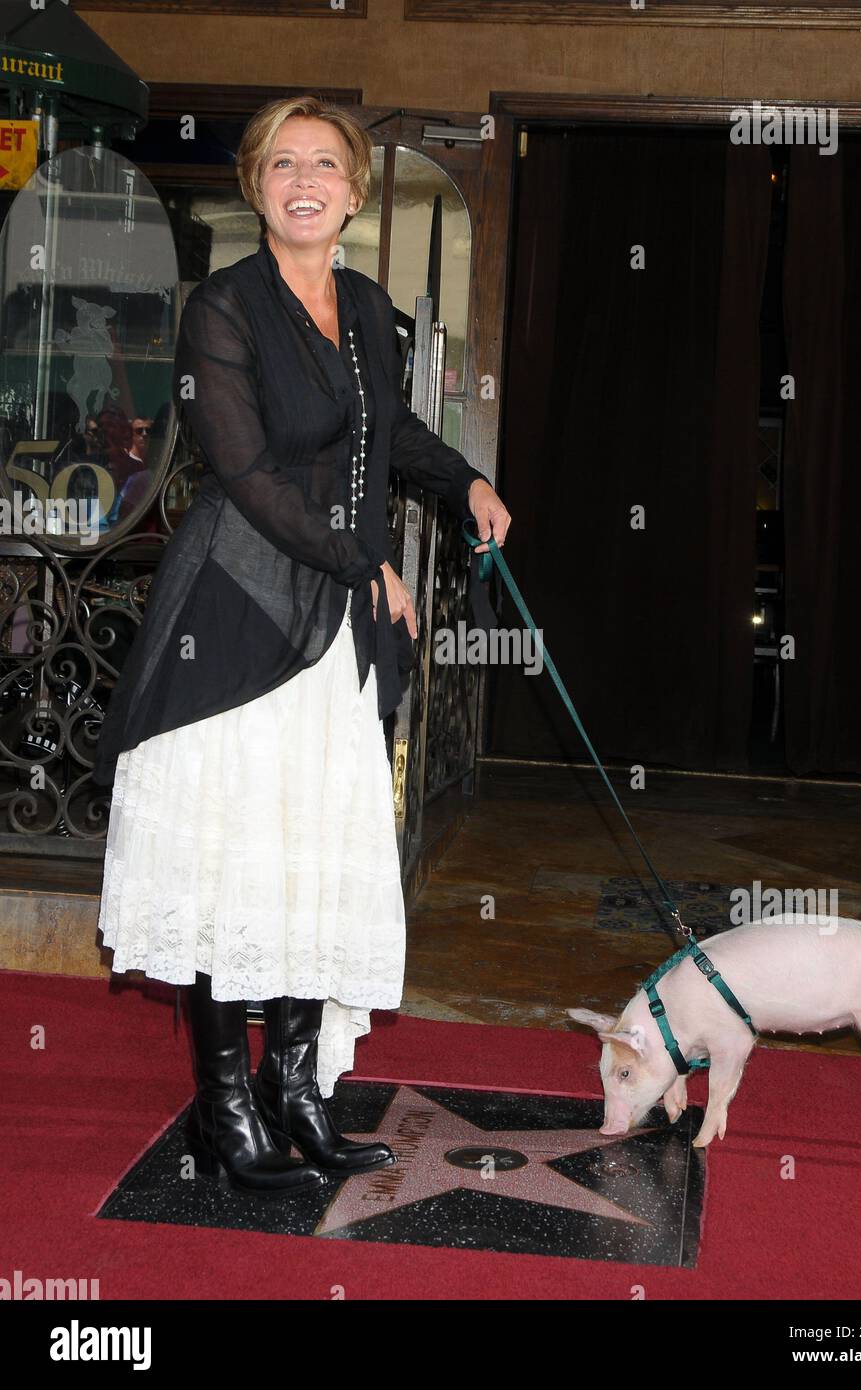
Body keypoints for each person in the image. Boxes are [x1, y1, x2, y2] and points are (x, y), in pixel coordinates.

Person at [92, 94, 511, 1198]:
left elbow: (393, 437)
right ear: (256, 184)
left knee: (304, 855)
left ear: (356, 188)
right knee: (234, 854)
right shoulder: (221, 308)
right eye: (284, 162)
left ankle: (297, 1094)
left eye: (326, 162)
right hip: (239, 613)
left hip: (336, 622)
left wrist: (462, 479)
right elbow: (247, 473)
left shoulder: (368, 306)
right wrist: (360, 559)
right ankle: (224, 1111)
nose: (305, 179)